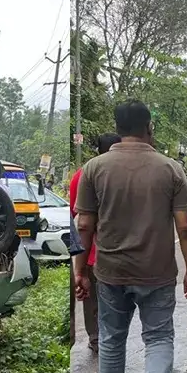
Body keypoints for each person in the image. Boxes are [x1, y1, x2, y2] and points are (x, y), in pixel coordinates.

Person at [73, 100, 187, 373]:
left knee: (112, 339)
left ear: (118, 127)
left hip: (110, 272)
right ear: (148, 128)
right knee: (158, 337)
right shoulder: (171, 169)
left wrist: (79, 271)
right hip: (157, 273)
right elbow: (185, 226)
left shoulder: (93, 169)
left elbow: (83, 225)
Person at [68, 133, 121, 352]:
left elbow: (74, 218)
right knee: (115, 299)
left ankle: (96, 338)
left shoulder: (82, 175)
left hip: (90, 252)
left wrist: (76, 253)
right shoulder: (126, 174)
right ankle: (111, 338)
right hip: (120, 252)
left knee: (91, 298)